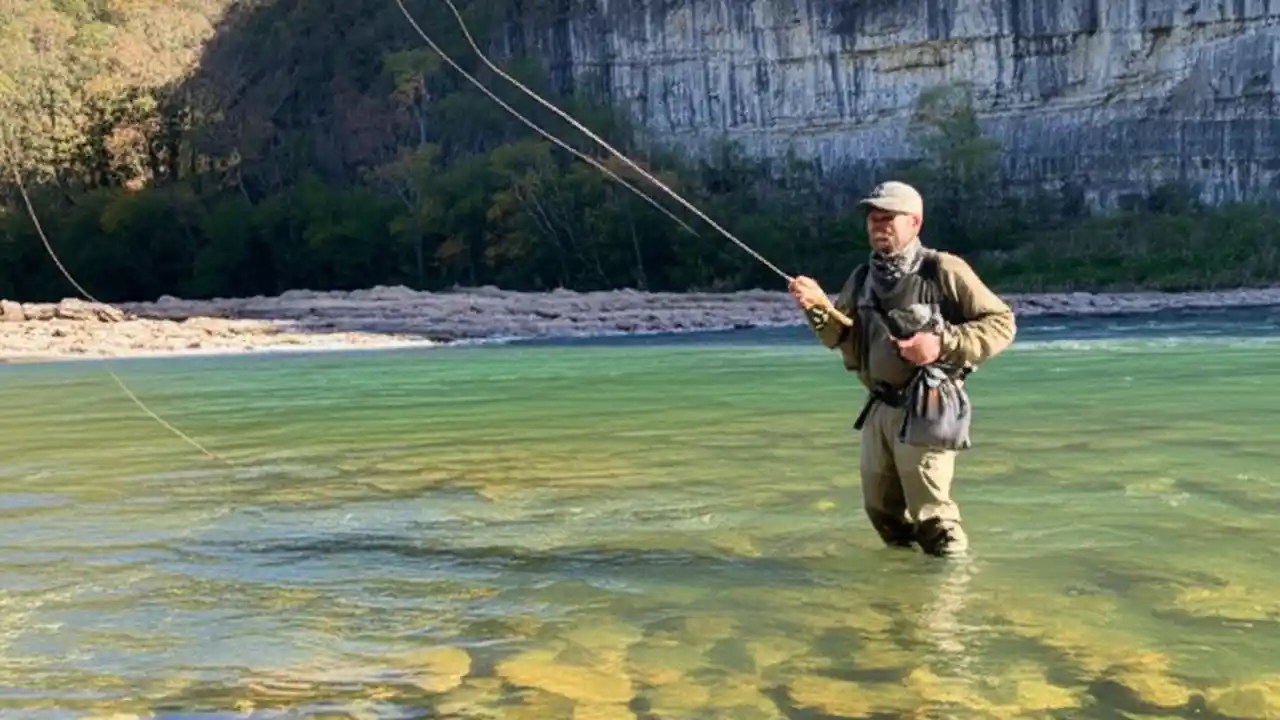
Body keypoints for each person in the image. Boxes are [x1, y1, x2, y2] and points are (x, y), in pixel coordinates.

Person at [788, 180, 1016, 557]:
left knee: (934, 522)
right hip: (879, 409)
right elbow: (838, 337)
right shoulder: (861, 278)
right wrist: (814, 305)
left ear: (915, 222)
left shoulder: (943, 269)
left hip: (928, 406)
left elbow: (1002, 323)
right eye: (873, 218)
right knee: (882, 514)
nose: (878, 224)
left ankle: (950, 599)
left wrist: (941, 343)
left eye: (888, 217)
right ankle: (903, 592)